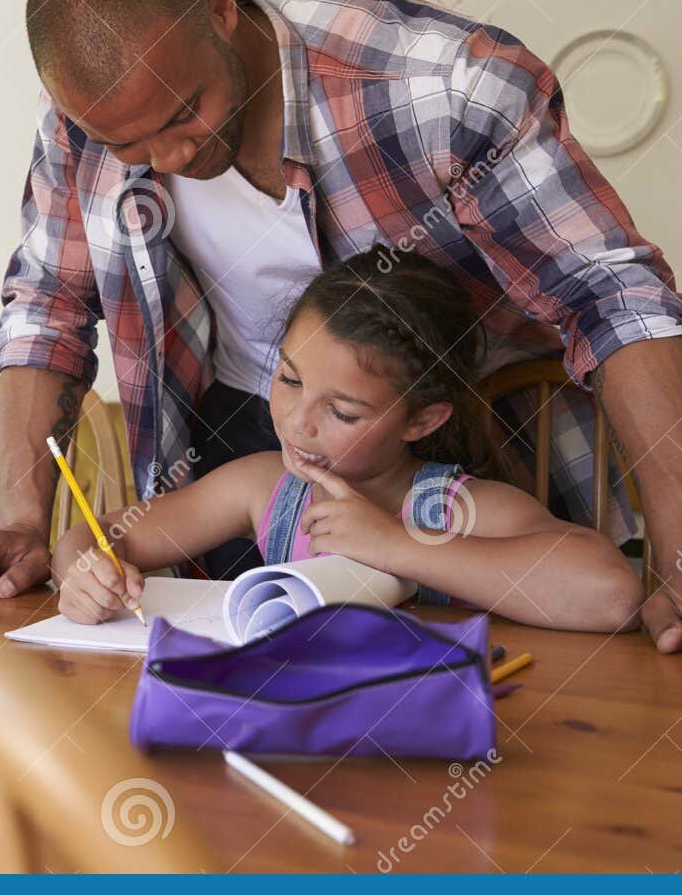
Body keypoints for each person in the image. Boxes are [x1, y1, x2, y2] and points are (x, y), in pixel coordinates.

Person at [0, 0, 682, 670]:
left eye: (186, 115)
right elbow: (50, 309)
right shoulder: (87, 115)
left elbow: (615, 299)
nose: (166, 160)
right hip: (221, 423)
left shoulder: (444, 85)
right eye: (127, 145)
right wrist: (30, 522)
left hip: (453, 436)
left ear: (220, 4)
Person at [51, 250, 643, 632]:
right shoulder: (263, 488)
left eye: (341, 411)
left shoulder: (458, 508)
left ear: (421, 422)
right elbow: (96, 533)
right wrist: (85, 572)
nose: (298, 422)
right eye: (288, 379)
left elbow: (610, 593)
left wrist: (396, 545)